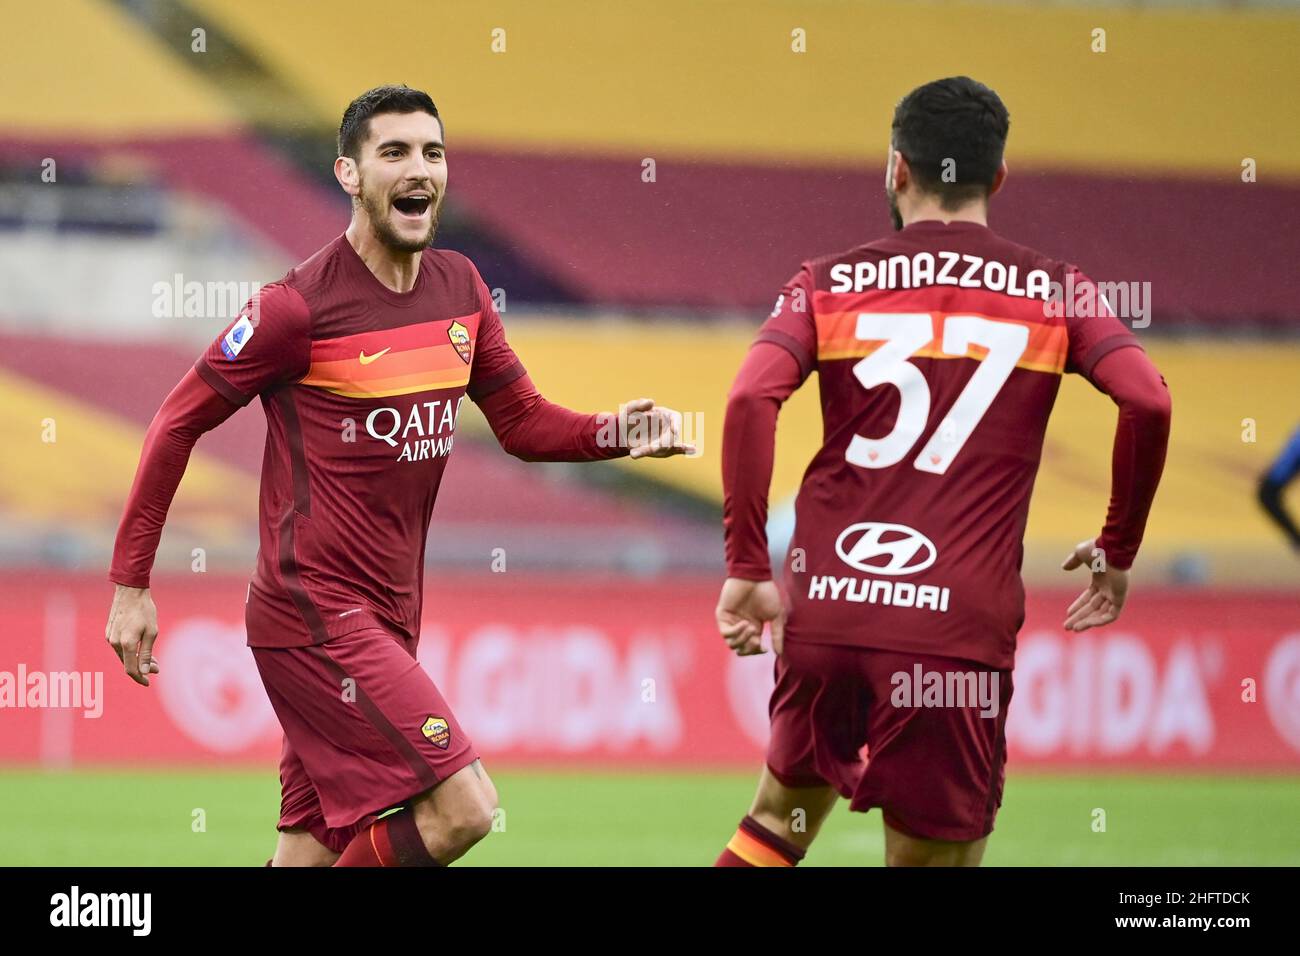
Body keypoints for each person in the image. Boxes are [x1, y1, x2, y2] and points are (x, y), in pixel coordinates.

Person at [105, 85, 692, 867]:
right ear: (349, 174)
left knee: (308, 853)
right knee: (463, 809)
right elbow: (177, 421)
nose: (419, 169)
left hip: (388, 616)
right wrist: (130, 585)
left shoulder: (461, 290)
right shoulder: (295, 310)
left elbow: (521, 422)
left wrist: (614, 432)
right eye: (395, 153)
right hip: (311, 611)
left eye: (433, 152)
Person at [713, 76, 1171, 867]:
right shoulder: (1056, 290)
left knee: (775, 825)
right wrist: (1116, 549)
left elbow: (752, 396)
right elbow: (1148, 402)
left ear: (897, 169)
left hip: (826, 607)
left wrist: (748, 565)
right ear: (997, 179)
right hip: (951, 632)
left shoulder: (824, 281)